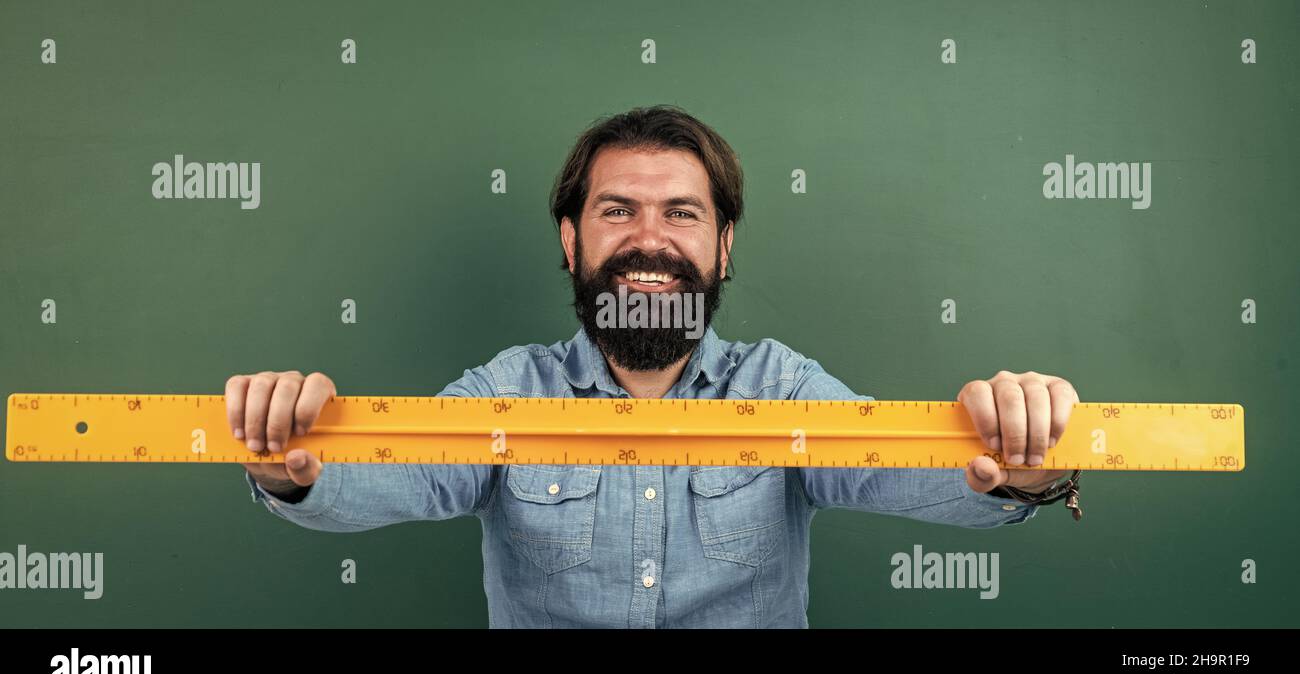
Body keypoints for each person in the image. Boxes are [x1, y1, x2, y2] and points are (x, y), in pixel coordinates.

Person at [226, 105, 1082, 628]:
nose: (650, 239)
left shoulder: (782, 388)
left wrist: (1022, 465)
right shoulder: (506, 391)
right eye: (616, 210)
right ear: (572, 240)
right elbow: (390, 476)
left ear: (722, 245)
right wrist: (293, 468)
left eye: (682, 212)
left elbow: (926, 479)